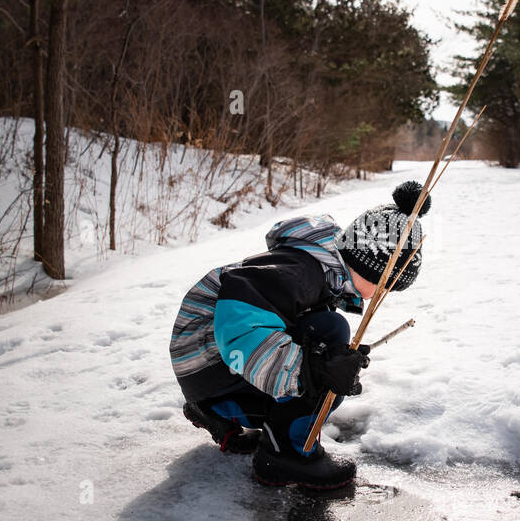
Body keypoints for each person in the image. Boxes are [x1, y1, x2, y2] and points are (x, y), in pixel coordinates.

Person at [170, 181, 430, 489]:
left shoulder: (319, 270)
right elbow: (241, 328)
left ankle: (219, 411)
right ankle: (286, 456)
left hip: (214, 371)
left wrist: (330, 362)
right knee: (330, 335)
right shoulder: (302, 272)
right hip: (210, 361)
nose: (380, 295)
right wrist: (313, 370)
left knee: (326, 342)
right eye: (384, 285)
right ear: (368, 263)